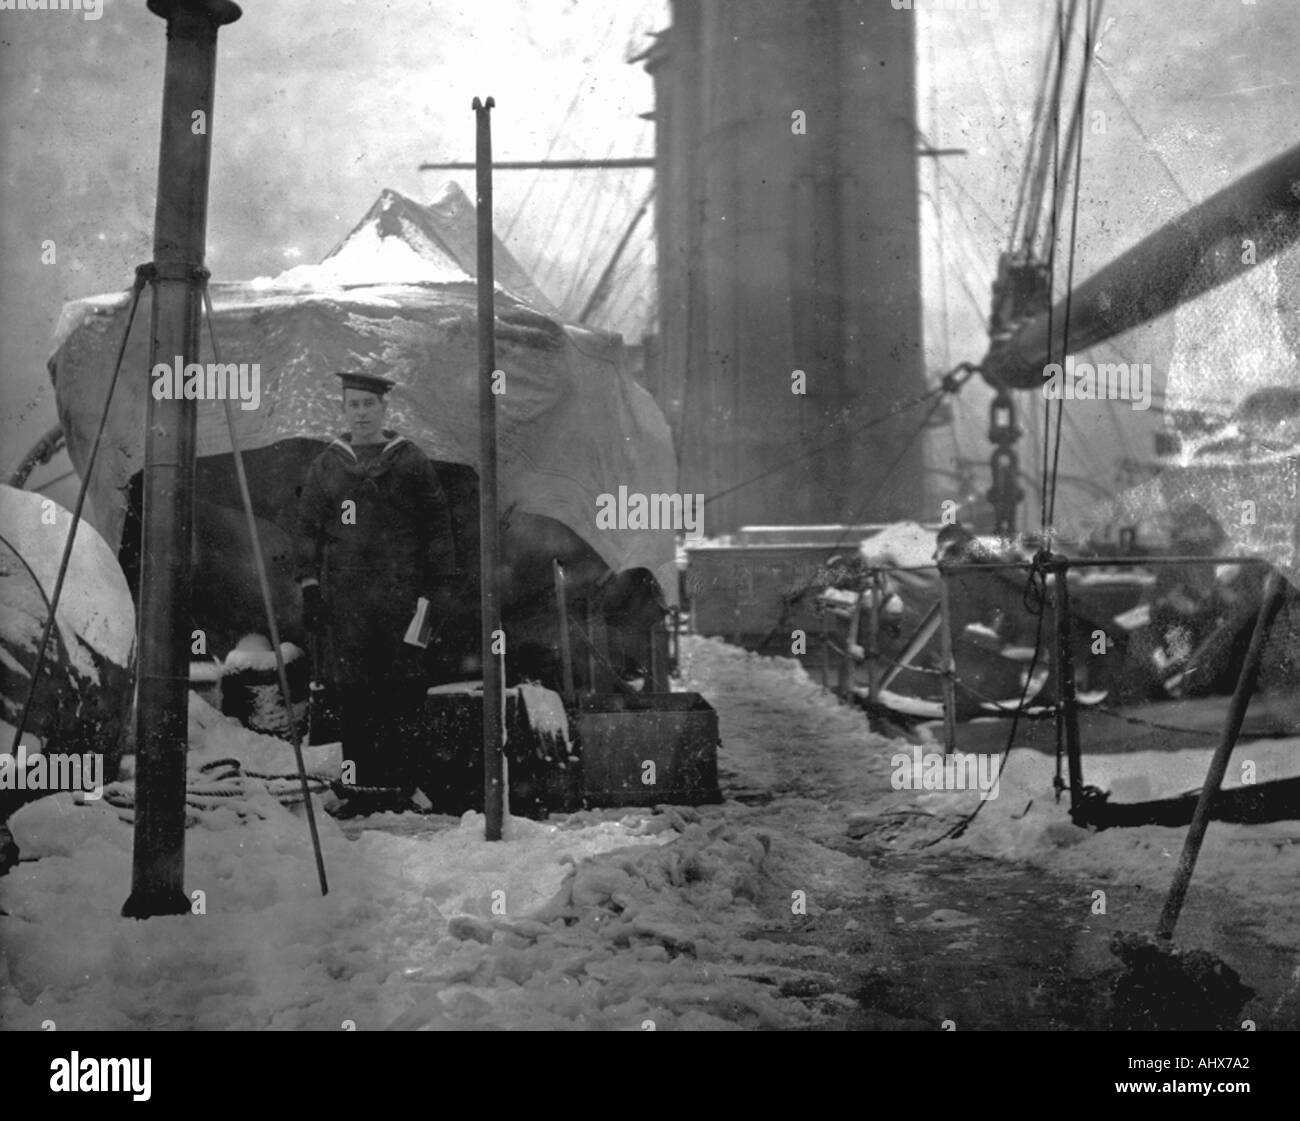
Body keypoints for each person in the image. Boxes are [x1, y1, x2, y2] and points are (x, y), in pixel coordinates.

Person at [296, 371, 458, 814]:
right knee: (353, 696)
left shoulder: (409, 460)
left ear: (385, 410)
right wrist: (311, 588)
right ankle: (359, 789)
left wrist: (438, 591)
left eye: (369, 404)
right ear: (344, 409)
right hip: (346, 600)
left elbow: (437, 528)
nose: (362, 413)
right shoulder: (328, 464)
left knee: (402, 692)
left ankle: (404, 788)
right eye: (354, 405)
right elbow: (308, 528)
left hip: (403, 598)